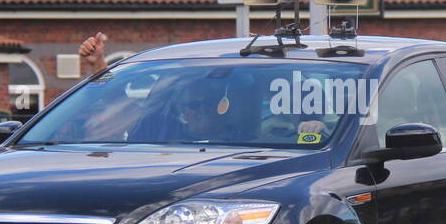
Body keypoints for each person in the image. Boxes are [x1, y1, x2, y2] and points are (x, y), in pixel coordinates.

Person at [76, 32, 328, 141]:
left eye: (206, 104)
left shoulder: (248, 140)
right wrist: (97, 63)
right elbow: (117, 102)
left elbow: (309, 141)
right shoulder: (160, 126)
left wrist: (315, 130)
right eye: (190, 105)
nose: (197, 111)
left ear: (223, 106)